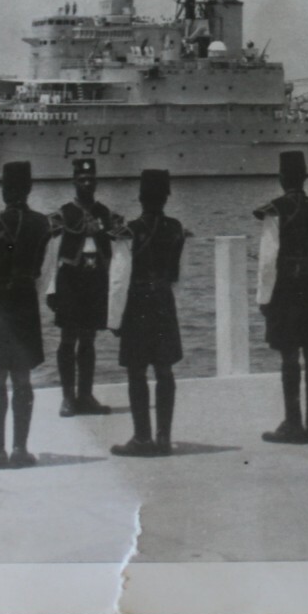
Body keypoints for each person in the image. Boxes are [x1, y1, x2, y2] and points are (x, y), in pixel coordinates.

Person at [0, 161, 54, 468]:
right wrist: (31, 297)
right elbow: (45, 272)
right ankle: (20, 449)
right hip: (26, 303)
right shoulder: (44, 225)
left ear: (4, 190)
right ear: (29, 189)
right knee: (22, 377)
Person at [255, 151, 308, 444]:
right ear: (304, 177)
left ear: (281, 178)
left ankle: (293, 423)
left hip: (285, 286)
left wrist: (264, 297)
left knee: (289, 355)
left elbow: (267, 259)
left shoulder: (275, 210)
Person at [110, 169, 188, 457]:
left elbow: (119, 280)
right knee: (165, 370)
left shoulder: (129, 231)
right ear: (166, 197)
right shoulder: (177, 228)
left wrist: (114, 318)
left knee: (136, 371)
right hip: (164, 302)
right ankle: (164, 437)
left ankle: (142, 438)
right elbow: (179, 274)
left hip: (138, 303)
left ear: (140, 197)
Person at [49, 158, 122, 417]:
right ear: (74, 182)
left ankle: (86, 394)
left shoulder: (106, 214)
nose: (87, 183)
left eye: (91, 179)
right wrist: (50, 289)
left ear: (96, 182)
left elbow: (122, 242)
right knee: (68, 340)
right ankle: (68, 398)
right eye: (82, 179)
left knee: (89, 339)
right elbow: (50, 251)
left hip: (96, 281)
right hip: (70, 282)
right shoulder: (63, 214)